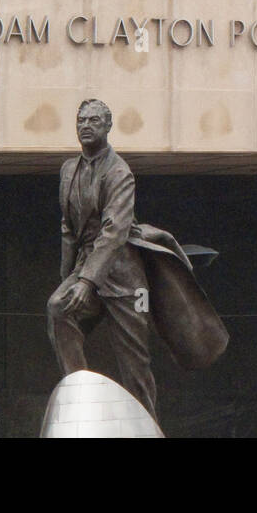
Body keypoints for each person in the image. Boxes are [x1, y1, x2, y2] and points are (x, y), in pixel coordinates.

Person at [46, 98, 228, 421]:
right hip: (86, 263)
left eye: (94, 121)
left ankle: (147, 424)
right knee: (58, 308)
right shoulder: (68, 170)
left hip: (123, 273)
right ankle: (79, 395)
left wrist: (88, 281)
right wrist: (69, 279)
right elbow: (68, 229)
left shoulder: (119, 171)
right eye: (81, 121)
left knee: (134, 366)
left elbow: (114, 231)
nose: (86, 126)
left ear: (107, 127)